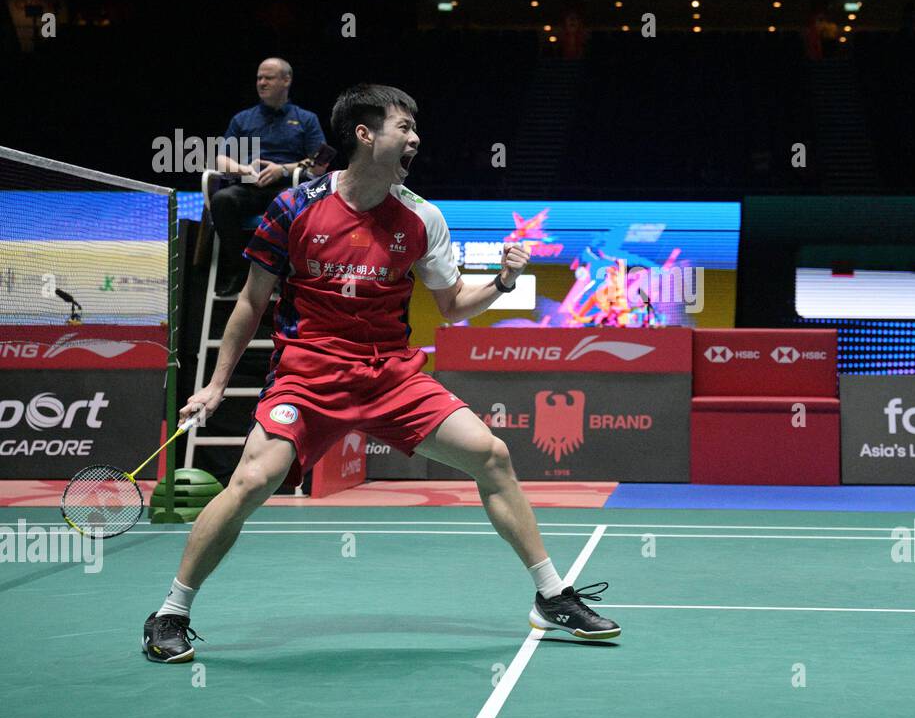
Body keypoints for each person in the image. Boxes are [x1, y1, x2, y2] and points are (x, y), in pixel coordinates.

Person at [142, 84, 619, 663]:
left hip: (391, 375)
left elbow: (451, 306)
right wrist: (217, 384)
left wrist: (501, 281)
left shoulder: (421, 217)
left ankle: (552, 595)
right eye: (404, 126)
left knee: (490, 454)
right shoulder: (293, 209)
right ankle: (170, 612)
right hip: (309, 374)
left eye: (416, 127)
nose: (415, 137)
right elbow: (250, 303)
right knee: (250, 483)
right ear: (365, 134)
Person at [211, 57, 326, 296]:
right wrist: (245, 170)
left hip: (288, 189)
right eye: (259, 78)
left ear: (287, 80)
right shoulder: (242, 119)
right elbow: (220, 160)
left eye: (268, 78)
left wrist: (282, 169)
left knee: (289, 202)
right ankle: (242, 272)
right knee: (222, 200)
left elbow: (320, 164)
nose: (261, 83)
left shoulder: (306, 119)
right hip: (249, 187)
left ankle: (279, 272)